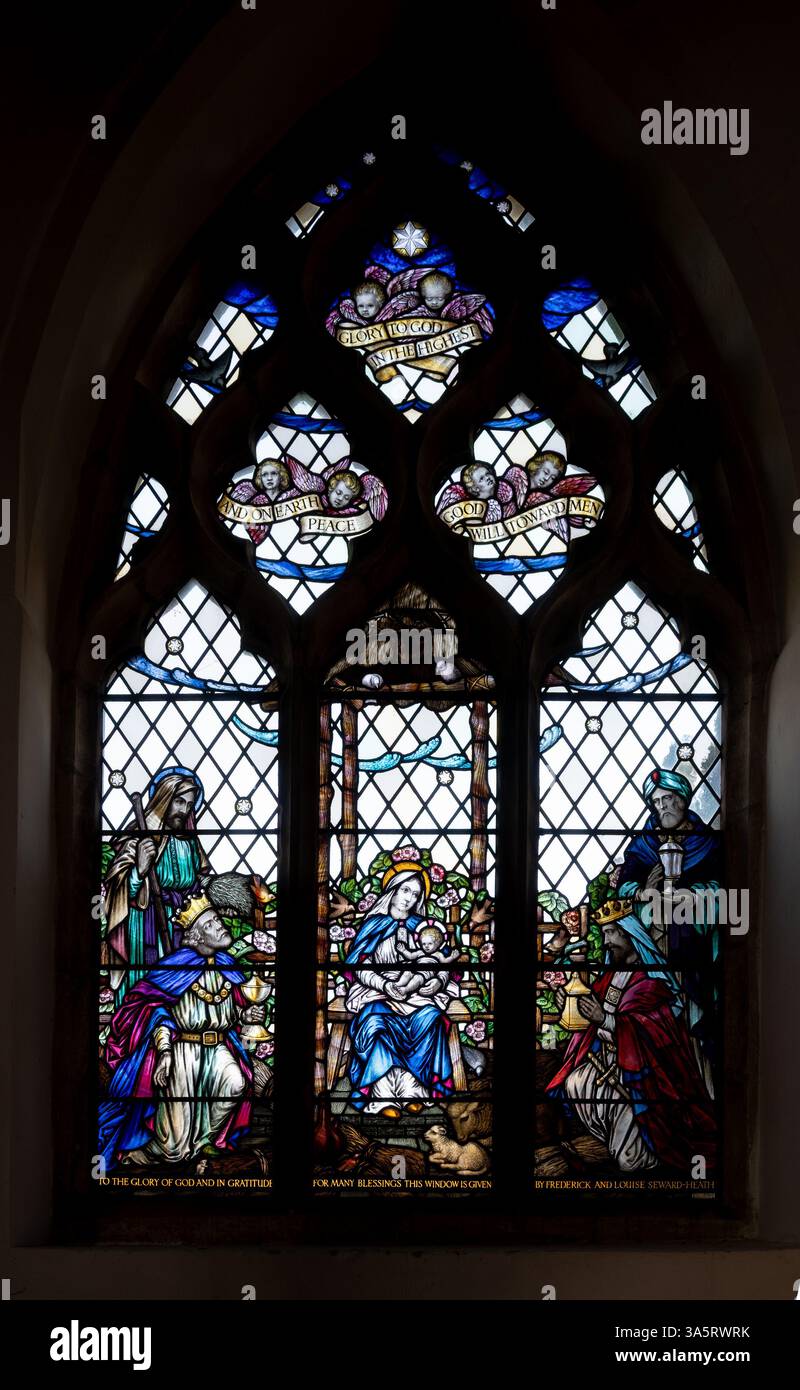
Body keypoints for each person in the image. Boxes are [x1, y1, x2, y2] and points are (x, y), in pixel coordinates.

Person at [546, 900, 716, 1173]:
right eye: (604, 934)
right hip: (607, 1063)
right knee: (576, 1082)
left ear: (629, 934)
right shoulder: (610, 978)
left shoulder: (650, 984)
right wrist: (567, 1006)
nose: (606, 942)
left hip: (643, 1075)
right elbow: (590, 1022)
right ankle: (608, 1145)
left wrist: (605, 1019)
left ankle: (637, 1157)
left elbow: (650, 1031)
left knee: (629, 1160)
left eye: (611, 933)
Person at [98, 895, 264, 1169]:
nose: (220, 925)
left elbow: (234, 1012)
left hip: (219, 1046)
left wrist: (248, 1015)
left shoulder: (228, 967)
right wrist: (164, 1053)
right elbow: (157, 1013)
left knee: (236, 1084)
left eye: (217, 920)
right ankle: (146, 1153)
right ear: (197, 937)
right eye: (211, 923)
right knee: (174, 1144)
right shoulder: (176, 968)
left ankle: (207, 1142)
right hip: (181, 1049)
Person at [616, 767, 722, 1091]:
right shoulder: (645, 843)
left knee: (696, 1022)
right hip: (656, 947)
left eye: (668, 799)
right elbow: (625, 886)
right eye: (656, 801)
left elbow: (722, 890)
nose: (662, 807)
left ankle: (701, 1085)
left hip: (695, 949)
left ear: (683, 800)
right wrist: (640, 891)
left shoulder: (707, 843)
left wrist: (690, 896)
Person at [343, 863, 457, 1116]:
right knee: (378, 1023)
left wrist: (436, 983)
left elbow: (443, 963)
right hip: (377, 990)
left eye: (416, 894)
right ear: (392, 891)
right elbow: (359, 967)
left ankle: (414, 1092)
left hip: (417, 994)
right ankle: (383, 1097)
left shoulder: (424, 927)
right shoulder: (373, 925)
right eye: (405, 890)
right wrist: (385, 985)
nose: (409, 898)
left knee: (432, 1022)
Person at [104, 769, 208, 1000]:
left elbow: (198, 886)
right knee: (145, 986)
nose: (184, 810)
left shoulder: (190, 845)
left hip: (183, 926)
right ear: (163, 799)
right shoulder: (137, 839)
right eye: (179, 801)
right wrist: (139, 870)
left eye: (189, 805)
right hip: (144, 926)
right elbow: (117, 894)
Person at [394, 923, 454, 1000]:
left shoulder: (438, 954)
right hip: (415, 968)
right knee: (407, 973)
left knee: (416, 979)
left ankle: (405, 989)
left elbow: (445, 962)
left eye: (430, 943)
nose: (426, 946)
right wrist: (404, 951)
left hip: (426, 973)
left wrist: (452, 957)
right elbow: (411, 956)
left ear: (437, 944)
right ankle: (398, 984)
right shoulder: (420, 952)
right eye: (424, 944)